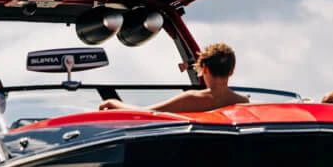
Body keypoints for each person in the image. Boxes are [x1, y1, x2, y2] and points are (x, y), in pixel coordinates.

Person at [101, 41, 246, 114]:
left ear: (205, 69)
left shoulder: (192, 99)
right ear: (231, 71)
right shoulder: (243, 102)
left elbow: (148, 114)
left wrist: (115, 103)